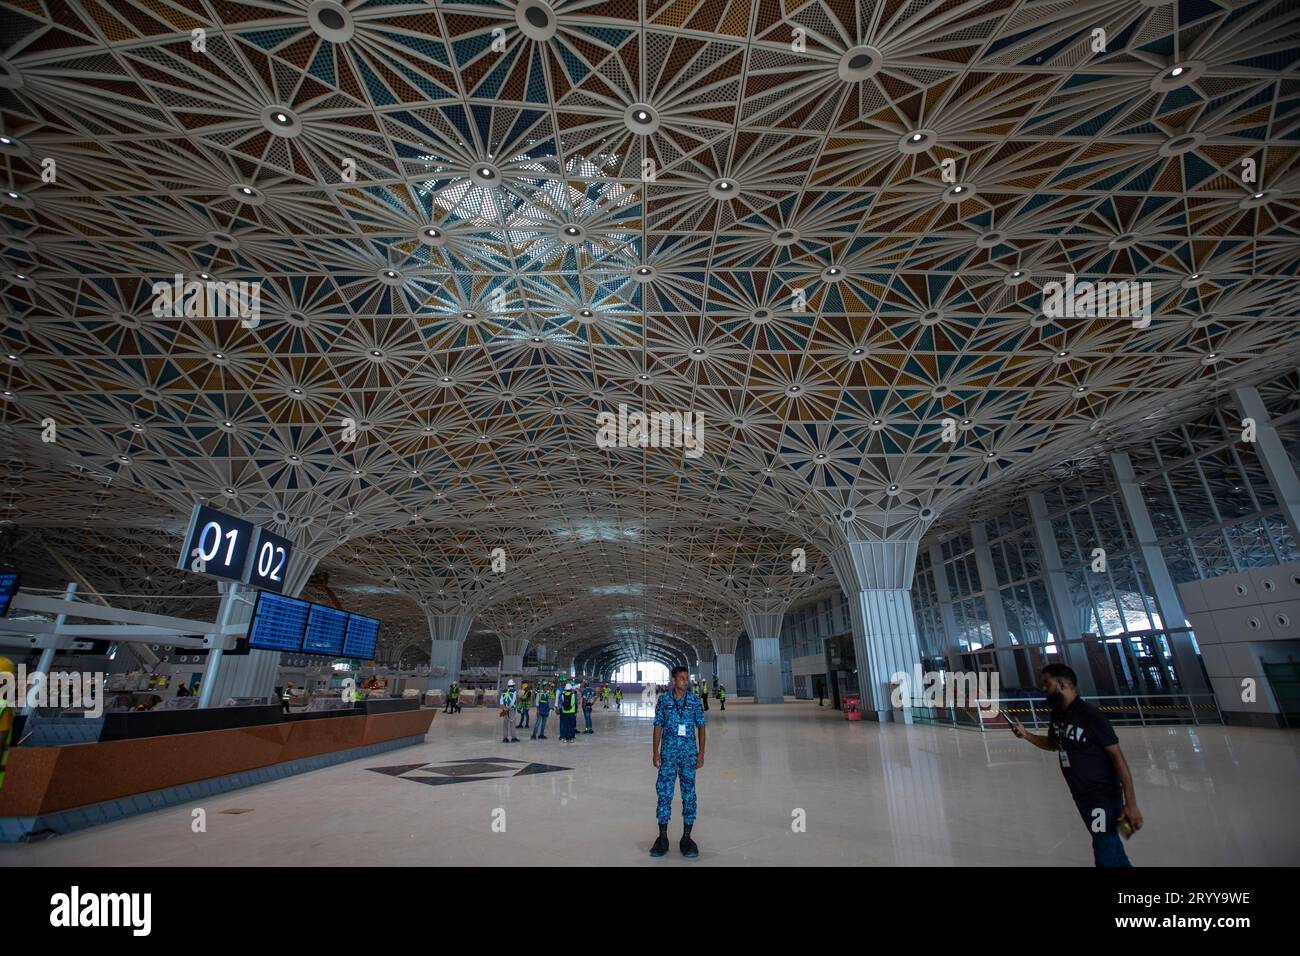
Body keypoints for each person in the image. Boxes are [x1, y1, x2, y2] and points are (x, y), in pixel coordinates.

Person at [1009, 663, 1142, 867]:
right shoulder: (1059, 715)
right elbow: (1053, 744)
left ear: (1062, 684)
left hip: (1102, 796)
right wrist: (1026, 735)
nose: (1044, 688)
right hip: (1081, 795)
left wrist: (1131, 804)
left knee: (1104, 848)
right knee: (1112, 845)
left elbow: (1118, 758)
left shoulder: (1091, 716)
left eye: (1047, 683)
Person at [650, 665, 706, 858]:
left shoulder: (694, 700)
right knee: (664, 793)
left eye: (686, 678)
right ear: (674, 680)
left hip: (689, 755)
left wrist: (701, 753)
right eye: (681, 678)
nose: (685, 681)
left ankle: (687, 838)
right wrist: (655, 751)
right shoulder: (664, 700)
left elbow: (701, 727)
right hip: (668, 755)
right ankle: (662, 837)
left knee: (689, 794)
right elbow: (658, 725)